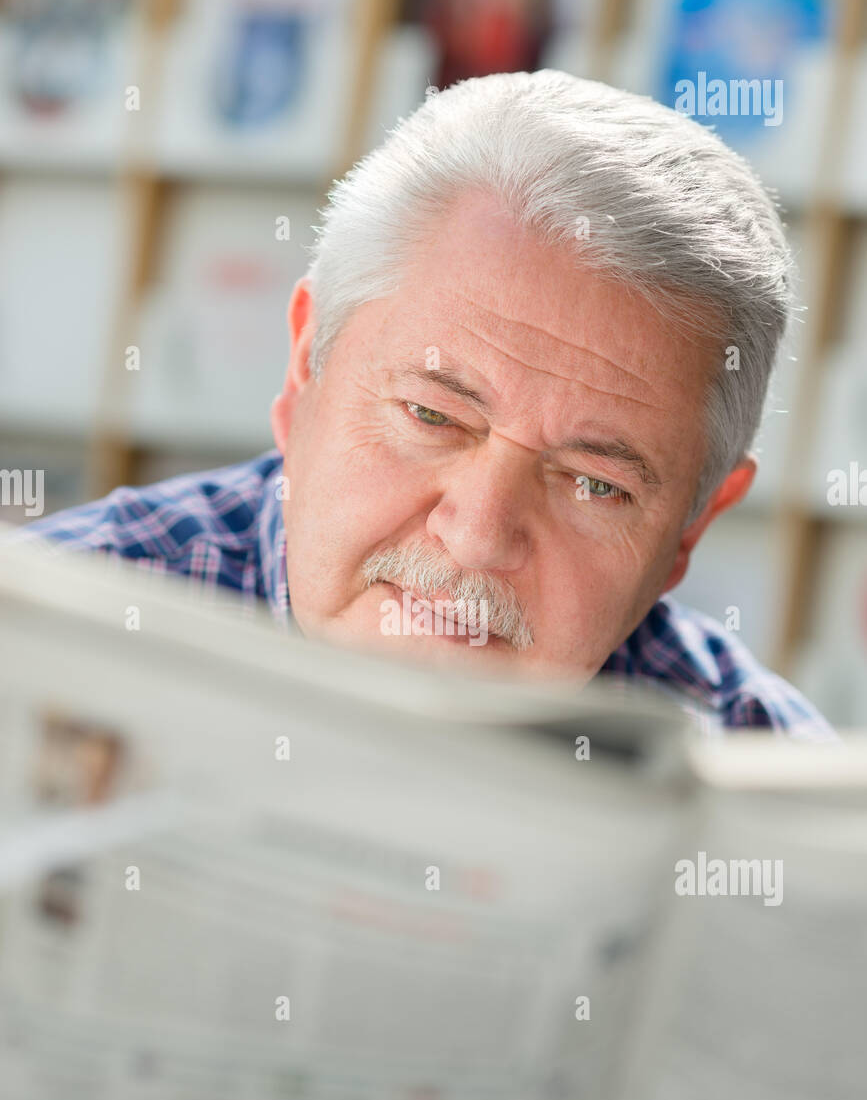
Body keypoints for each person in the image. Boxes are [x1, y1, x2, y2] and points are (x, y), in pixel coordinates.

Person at [17, 71, 833, 736]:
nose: (477, 537)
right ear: (304, 372)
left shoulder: (765, 791)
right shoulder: (39, 646)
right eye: (432, 416)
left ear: (690, 526)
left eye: (594, 484)